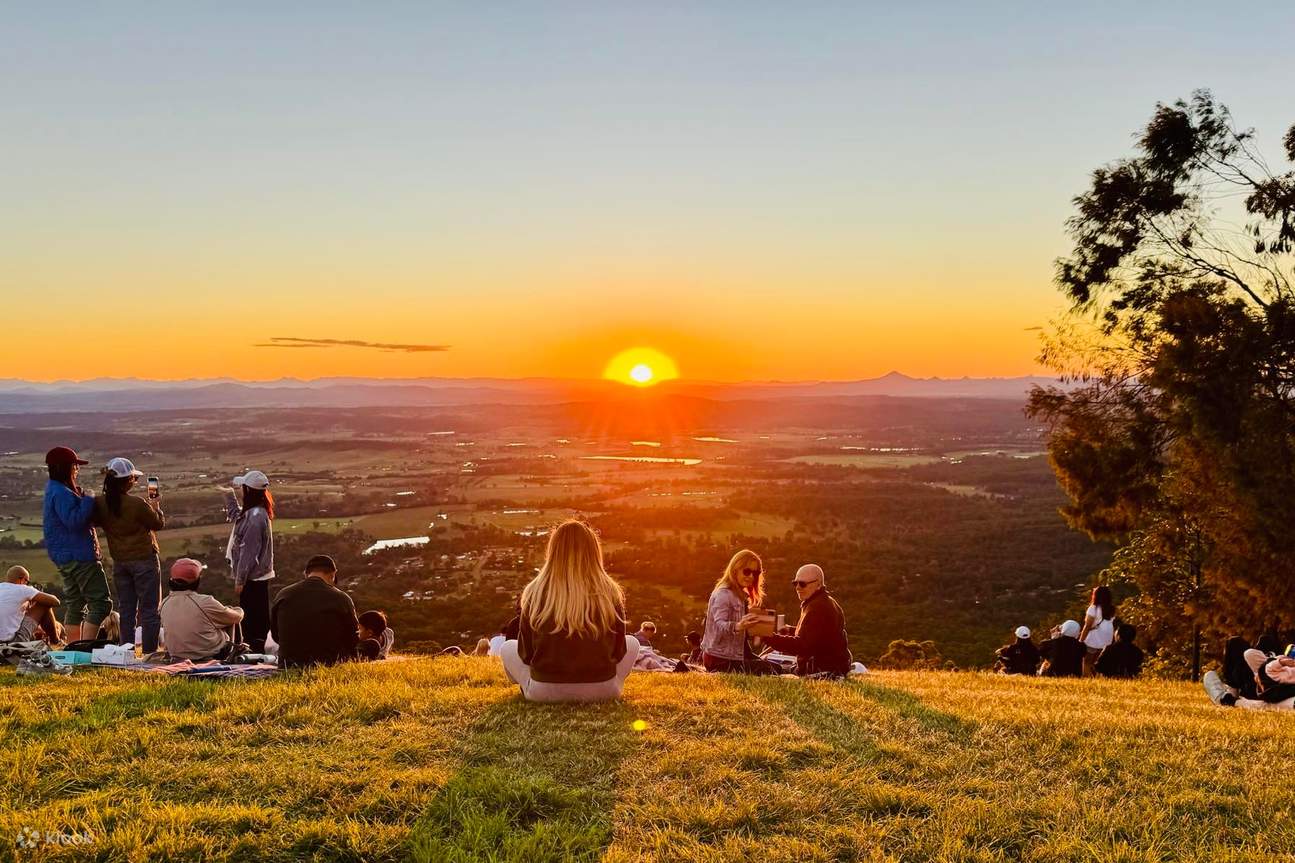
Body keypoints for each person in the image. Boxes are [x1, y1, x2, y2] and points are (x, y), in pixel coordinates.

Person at [500, 520, 638, 702]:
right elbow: (618, 652)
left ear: (553, 551)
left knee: (507, 647)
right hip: (603, 690)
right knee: (633, 643)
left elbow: (526, 655)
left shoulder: (534, 592)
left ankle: (526, 686)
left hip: (544, 692)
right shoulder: (610, 592)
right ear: (593, 551)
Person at [93, 457, 165, 652]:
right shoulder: (137, 504)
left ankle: (126, 650)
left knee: (126, 609)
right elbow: (158, 524)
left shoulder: (100, 504)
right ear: (127, 481)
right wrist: (156, 505)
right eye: (133, 479)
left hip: (120, 562)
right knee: (149, 610)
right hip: (144, 560)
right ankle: (150, 653)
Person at [43, 446, 112, 642]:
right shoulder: (62, 492)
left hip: (63, 557)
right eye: (75, 465)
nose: (77, 469)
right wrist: (88, 499)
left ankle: (74, 649)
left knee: (75, 603)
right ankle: (86, 647)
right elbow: (74, 521)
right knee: (101, 604)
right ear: (65, 467)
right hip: (79, 556)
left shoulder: (53, 488)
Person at [750, 563, 852, 678]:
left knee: (763, 666)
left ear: (818, 585)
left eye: (802, 584)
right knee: (767, 662)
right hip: (834, 667)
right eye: (795, 583)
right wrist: (791, 630)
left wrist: (768, 637)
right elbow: (817, 636)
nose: (797, 587)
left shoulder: (817, 608)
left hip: (819, 670)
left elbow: (802, 646)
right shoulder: (826, 602)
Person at [270, 555, 358, 668]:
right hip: (329, 664)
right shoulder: (342, 598)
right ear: (333, 574)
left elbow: (275, 634)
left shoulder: (283, 594)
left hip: (288, 664)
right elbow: (353, 637)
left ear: (306, 574)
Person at [700, 549, 776, 674]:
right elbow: (719, 626)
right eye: (747, 571)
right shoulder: (723, 594)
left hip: (734, 656)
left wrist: (758, 628)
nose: (751, 576)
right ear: (735, 570)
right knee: (772, 670)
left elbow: (742, 638)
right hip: (720, 660)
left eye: (755, 573)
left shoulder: (740, 595)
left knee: (775, 667)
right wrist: (738, 626)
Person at [158, 558, 245, 661]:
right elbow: (236, 618)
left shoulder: (164, 603)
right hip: (210, 654)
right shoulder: (205, 602)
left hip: (177, 656)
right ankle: (236, 656)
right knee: (230, 614)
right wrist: (238, 610)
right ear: (196, 581)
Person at [226, 470, 275, 653]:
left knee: (253, 619)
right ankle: (256, 651)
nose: (241, 491)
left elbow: (249, 553)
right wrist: (228, 494)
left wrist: (240, 580)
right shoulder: (253, 512)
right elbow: (236, 516)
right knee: (255, 615)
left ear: (248, 490)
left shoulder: (255, 518)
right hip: (255, 577)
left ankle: (255, 653)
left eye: (242, 488)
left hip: (253, 578)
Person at [0, 566, 60, 644]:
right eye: (27, 582)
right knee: (44, 604)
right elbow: (55, 602)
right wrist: (35, 596)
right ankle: (55, 641)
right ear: (21, 579)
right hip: (12, 642)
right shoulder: (23, 589)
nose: (26, 584)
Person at [1078, 585, 1117, 675]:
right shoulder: (1111, 609)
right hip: (1107, 638)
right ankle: (1096, 677)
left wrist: (1081, 640)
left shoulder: (1093, 608)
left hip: (1094, 638)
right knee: (1097, 662)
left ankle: (1088, 680)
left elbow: (1087, 626)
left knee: (1086, 662)